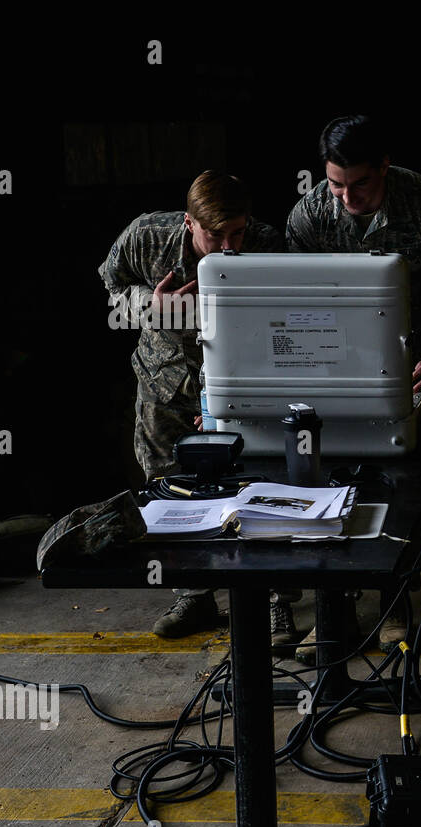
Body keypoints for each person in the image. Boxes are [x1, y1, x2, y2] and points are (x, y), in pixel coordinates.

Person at [286, 115, 421, 656]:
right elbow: (292, 299)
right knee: (327, 482)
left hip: (414, 360)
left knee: (399, 483)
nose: (347, 198)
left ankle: (395, 599)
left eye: (361, 184)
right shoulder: (308, 216)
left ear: (384, 167)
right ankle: (336, 611)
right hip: (335, 363)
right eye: (335, 185)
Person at [99, 170, 293, 640]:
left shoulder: (268, 244)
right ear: (189, 223)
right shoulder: (146, 237)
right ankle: (194, 595)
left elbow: (286, 317)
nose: (229, 246)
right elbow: (111, 290)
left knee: (261, 488)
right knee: (169, 489)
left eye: (238, 233)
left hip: (239, 383)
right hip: (165, 385)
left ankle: (276, 600)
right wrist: (150, 307)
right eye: (216, 235)